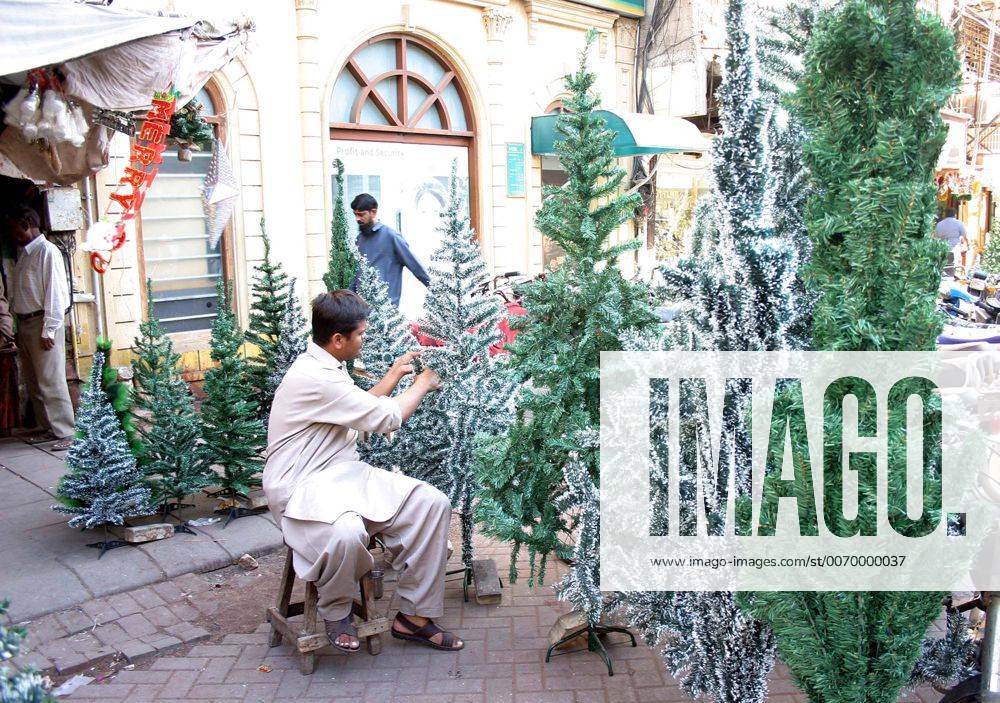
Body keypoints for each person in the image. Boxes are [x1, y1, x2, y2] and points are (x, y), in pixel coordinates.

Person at [263, 290, 463, 654]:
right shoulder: (315, 377)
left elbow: (355, 407)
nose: (364, 339)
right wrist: (423, 382)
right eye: (361, 334)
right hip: (301, 486)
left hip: (343, 475)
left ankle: (414, 617)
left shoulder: (326, 365)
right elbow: (387, 417)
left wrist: (393, 375)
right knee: (346, 531)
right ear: (338, 339)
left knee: (431, 503)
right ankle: (336, 610)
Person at [4, 206, 73, 449]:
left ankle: (66, 431)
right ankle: (48, 427)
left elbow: (55, 293)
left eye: (16, 229)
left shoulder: (47, 251)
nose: (13, 235)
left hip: (42, 321)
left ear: (27, 225)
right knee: (34, 381)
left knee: (51, 380)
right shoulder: (25, 253)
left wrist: (49, 329)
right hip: (26, 322)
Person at [349, 193, 431, 308]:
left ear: (373, 212)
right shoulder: (359, 239)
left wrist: (437, 290)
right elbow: (357, 273)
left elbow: (415, 266)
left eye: (361, 215)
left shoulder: (391, 236)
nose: (357, 219)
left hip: (386, 309)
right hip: (361, 308)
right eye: (355, 214)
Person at [935, 207, 968, 271]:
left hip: (943, 248)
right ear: (955, 214)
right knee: (955, 267)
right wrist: (967, 246)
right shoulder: (959, 223)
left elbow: (936, 237)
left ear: (945, 214)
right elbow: (964, 235)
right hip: (955, 248)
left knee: (944, 267)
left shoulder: (939, 224)